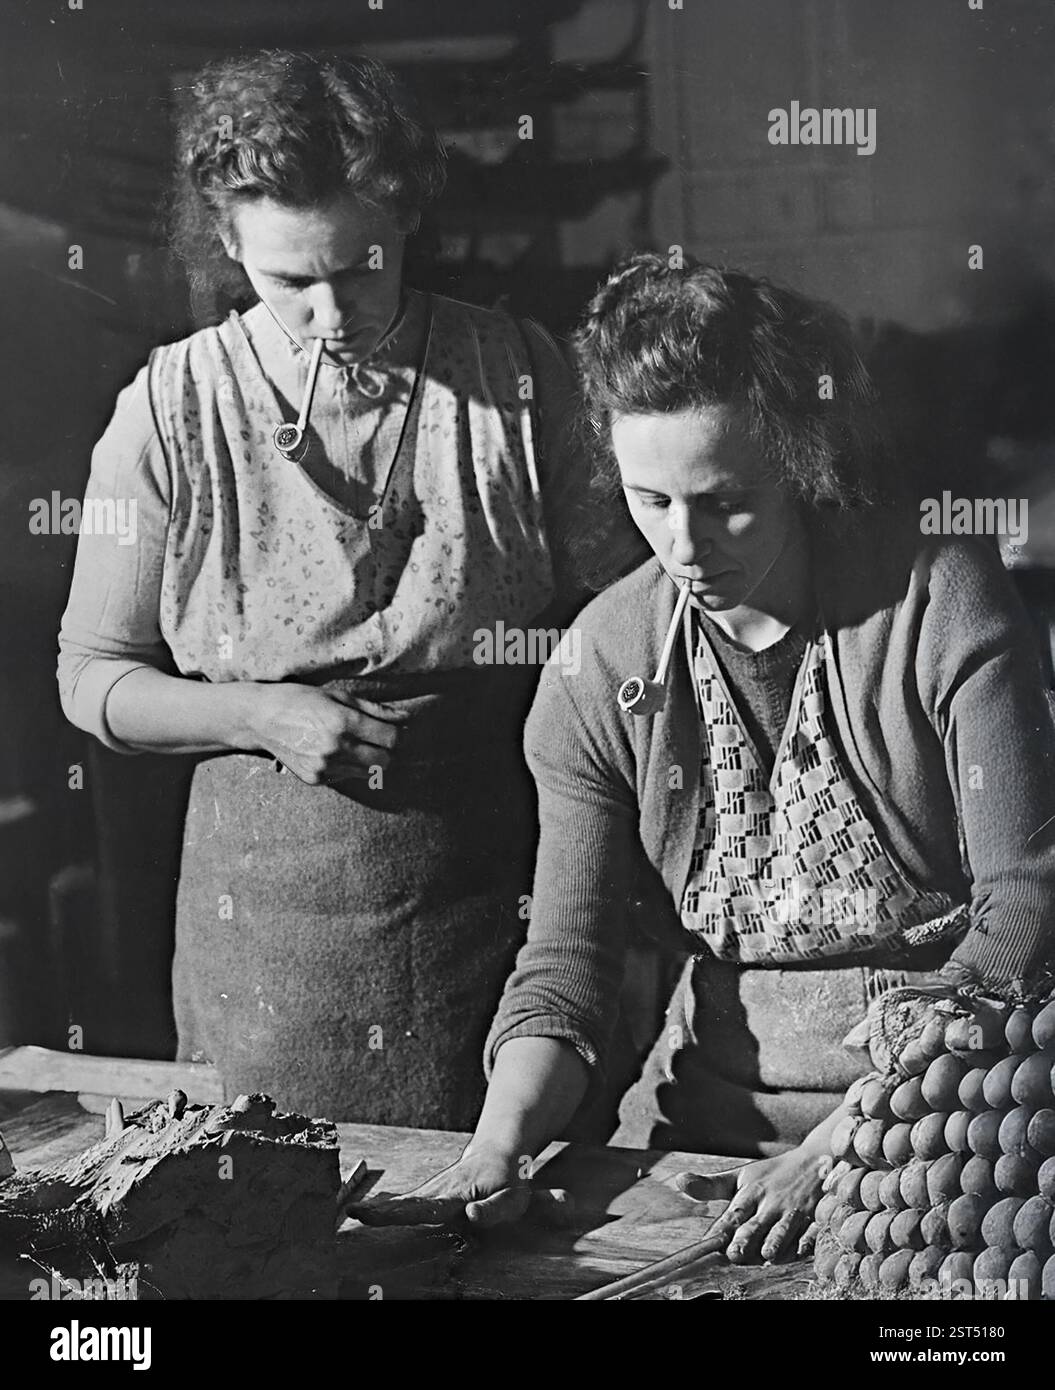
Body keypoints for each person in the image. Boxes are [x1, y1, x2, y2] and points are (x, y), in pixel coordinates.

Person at [350, 254, 1055, 1260]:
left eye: (723, 501)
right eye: (651, 501)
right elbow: (565, 968)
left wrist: (847, 1141)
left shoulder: (938, 597)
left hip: (952, 1120)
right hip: (708, 1137)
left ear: (797, 462)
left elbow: (1022, 911)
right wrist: (496, 1146)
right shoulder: (602, 661)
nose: (684, 544)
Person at [57, 50, 583, 1130]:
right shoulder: (164, 415)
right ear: (225, 240)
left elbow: (624, 629)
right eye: (291, 281)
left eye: (362, 268)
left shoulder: (518, 377)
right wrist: (257, 713)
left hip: (499, 889)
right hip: (265, 926)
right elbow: (91, 677)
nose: (333, 312)